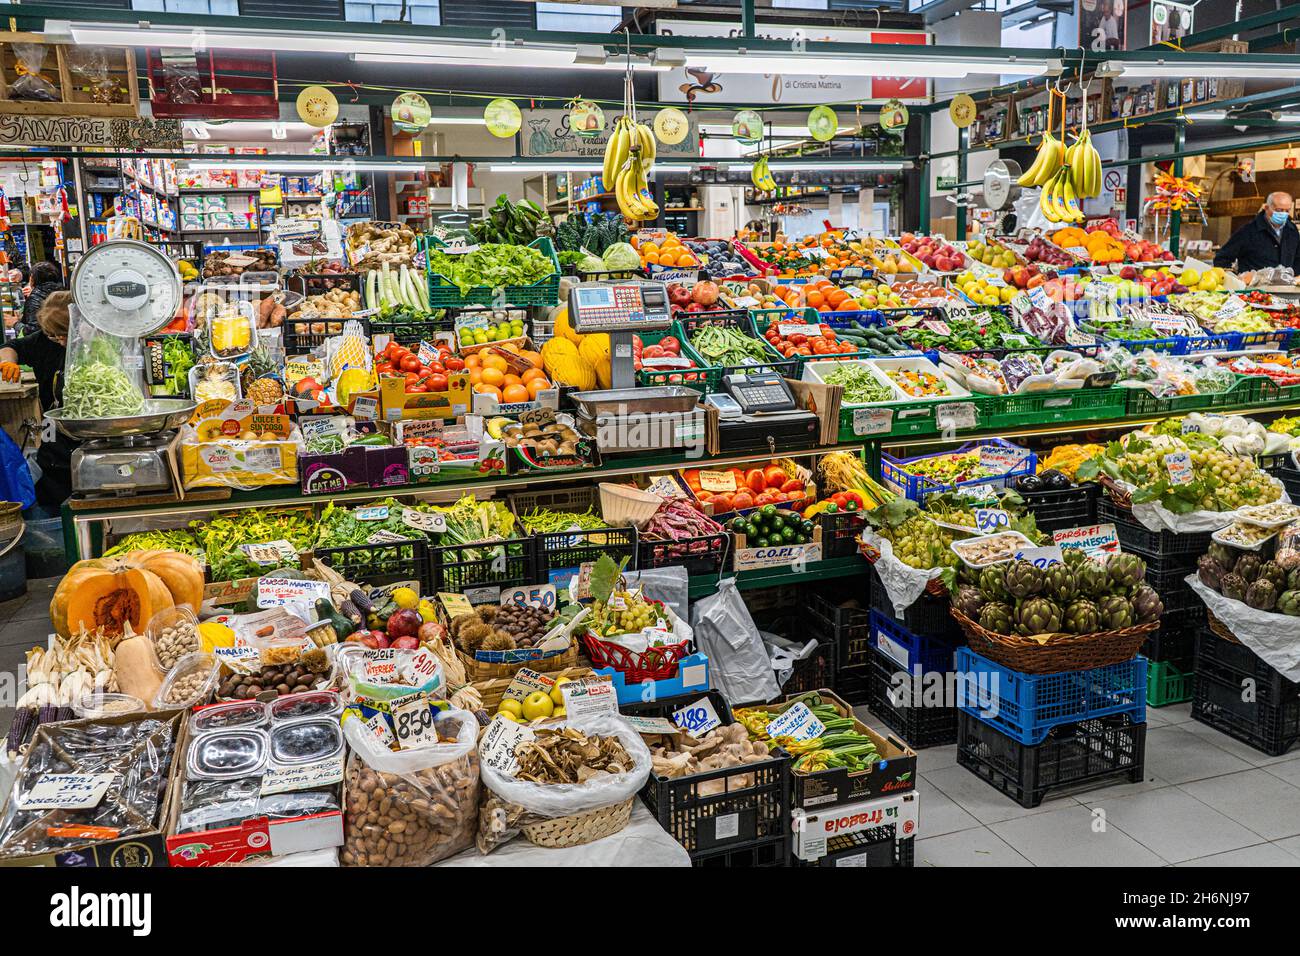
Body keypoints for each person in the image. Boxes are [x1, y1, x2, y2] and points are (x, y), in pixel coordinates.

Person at [0, 291, 75, 506]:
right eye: (53, 335)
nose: (59, 341)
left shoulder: (92, 345)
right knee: (52, 482)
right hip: (52, 431)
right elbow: (11, 348)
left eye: (63, 334)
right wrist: (8, 362)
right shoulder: (45, 342)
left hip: (86, 433)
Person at [1213, 192, 1300, 273]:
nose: (1283, 214)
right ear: (1266, 208)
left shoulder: (1292, 230)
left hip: (1286, 287)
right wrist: (1236, 279)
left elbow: (1297, 259)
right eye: (1279, 210)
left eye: (1287, 211)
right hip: (1254, 288)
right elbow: (1222, 259)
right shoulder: (1247, 231)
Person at [18, 261, 62, 338]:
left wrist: (16, 324)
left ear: (32, 279)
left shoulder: (34, 298)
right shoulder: (62, 292)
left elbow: (33, 331)